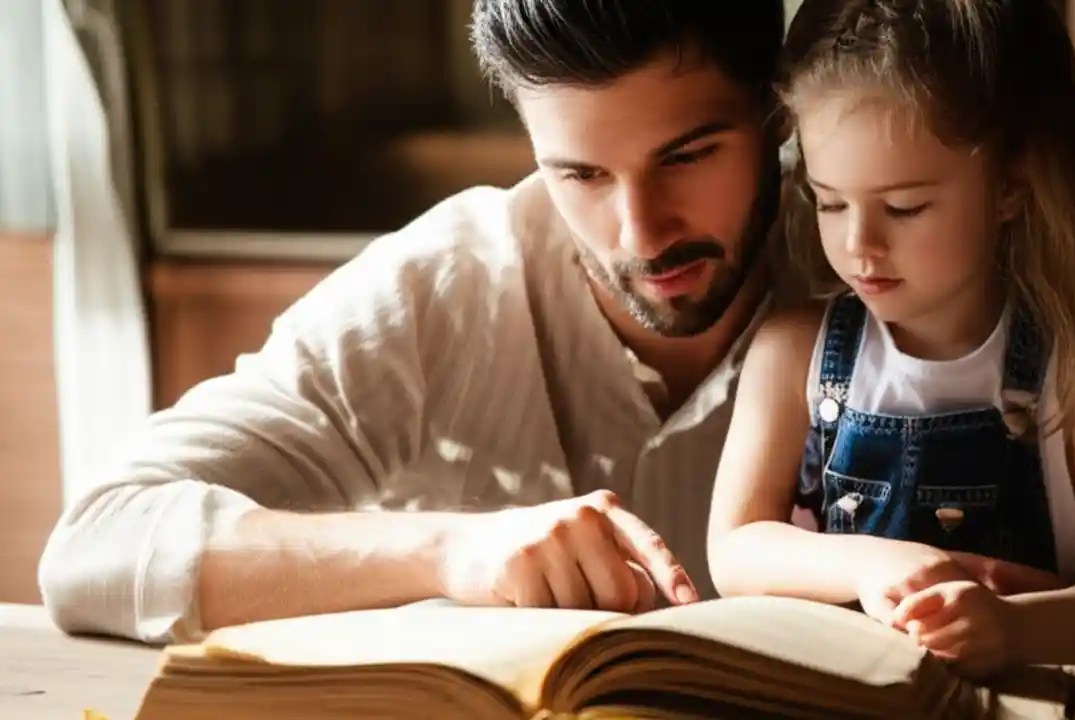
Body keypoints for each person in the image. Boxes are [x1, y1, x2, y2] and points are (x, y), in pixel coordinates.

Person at [38, 0, 794, 643]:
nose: (640, 233)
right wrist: (451, 549)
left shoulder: (883, 275)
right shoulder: (443, 286)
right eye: (581, 174)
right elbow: (95, 547)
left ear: (779, 112)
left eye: (687, 157)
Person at [707, 0, 1075, 677]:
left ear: (1008, 186)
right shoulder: (792, 353)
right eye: (829, 201)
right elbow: (734, 549)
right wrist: (875, 563)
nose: (858, 244)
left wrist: (1014, 628)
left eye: (904, 207)